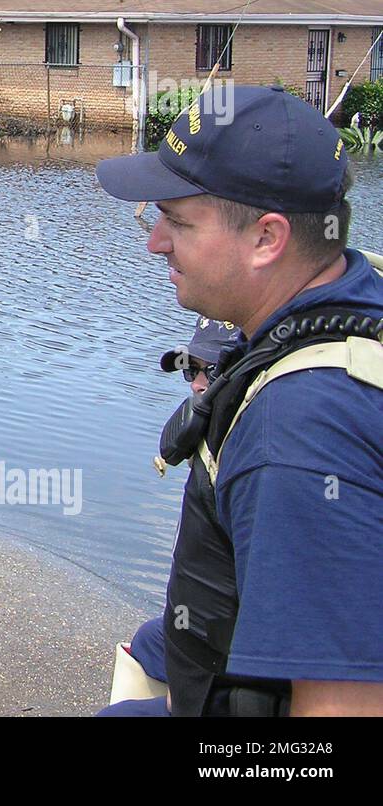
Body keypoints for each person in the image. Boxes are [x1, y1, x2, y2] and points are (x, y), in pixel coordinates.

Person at [96, 83, 383, 717]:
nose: (154, 244)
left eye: (175, 220)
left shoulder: (300, 431)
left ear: (267, 239)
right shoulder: (359, 286)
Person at [115, 315, 240, 701]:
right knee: (151, 639)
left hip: (243, 650)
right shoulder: (217, 441)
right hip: (210, 626)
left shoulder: (249, 450)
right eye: (192, 371)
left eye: (212, 370)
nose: (199, 383)